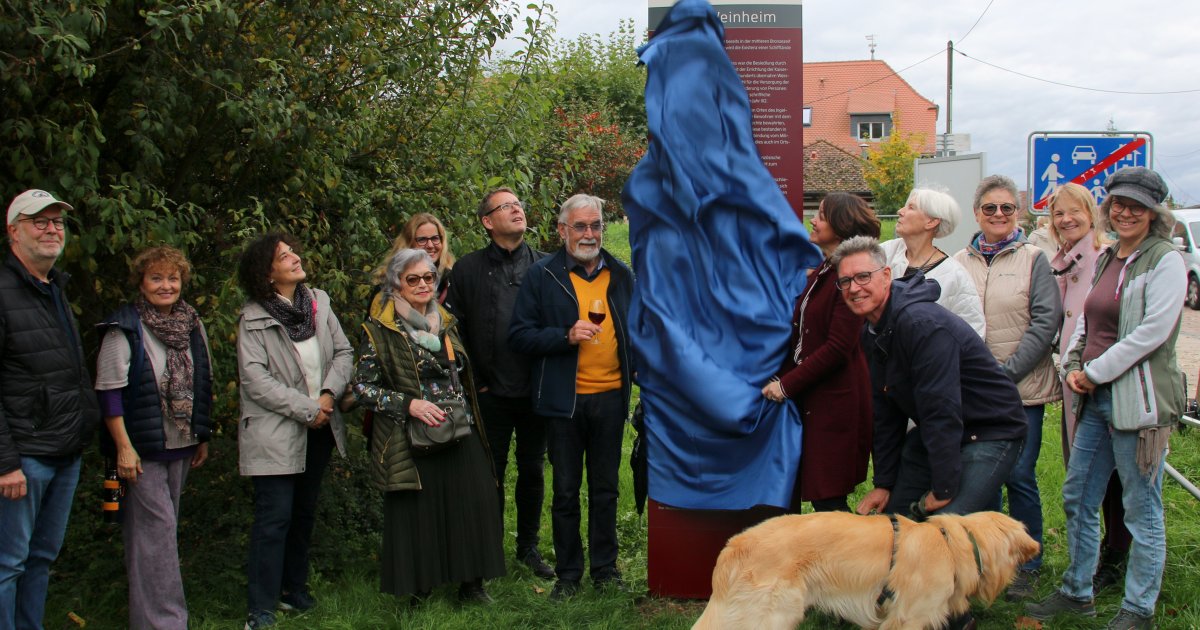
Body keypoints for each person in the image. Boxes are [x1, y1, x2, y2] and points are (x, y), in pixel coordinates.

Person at [839, 235, 1027, 630]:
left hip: (991, 429)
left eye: (863, 277)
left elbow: (942, 408)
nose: (854, 288)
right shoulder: (871, 331)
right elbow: (886, 412)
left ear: (886, 275)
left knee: (944, 533)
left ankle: (953, 621)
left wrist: (943, 487)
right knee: (893, 526)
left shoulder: (920, 323)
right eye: (845, 281)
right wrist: (885, 483)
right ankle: (893, 606)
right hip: (938, 431)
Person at [1027, 167, 1185, 630]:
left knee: (1141, 508)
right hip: (1095, 401)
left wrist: (1094, 373)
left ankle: (1138, 609)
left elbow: (1152, 333)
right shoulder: (1110, 256)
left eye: (1137, 206)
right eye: (1118, 203)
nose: (1125, 212)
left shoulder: (1165, 260)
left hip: (1139, 403)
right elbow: (1086, 322)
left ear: (1154, 213)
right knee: (1078, 494)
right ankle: (1077, 592)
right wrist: (1072, 364)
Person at [349, 248, 505, 603]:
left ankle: (471, 585)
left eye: (429, 277)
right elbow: (361, 388)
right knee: (420, 511)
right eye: (413, 279)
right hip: (412, 433)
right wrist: (410, 405)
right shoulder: (381, 330)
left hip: (459, 425)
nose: (423, 284)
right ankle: (421, 588)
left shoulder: (446, 322)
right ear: (396, 286)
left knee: (474, 500)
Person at [509, 193, 634, 600]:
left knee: (606, 489)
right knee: (565, 491)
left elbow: (636, 332)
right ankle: (568, 575)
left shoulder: (620, 274)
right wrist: (565, 335)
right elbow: (519, 335)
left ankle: (605, 569)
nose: (589, 234)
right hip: (565, 401)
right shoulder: (543, 275)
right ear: (562, 230)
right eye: (580, 226)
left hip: (610, 398)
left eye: (596, 225)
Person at [236, 233, 354, 630]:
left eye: (292, 251)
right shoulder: (253, 318)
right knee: (274, 518)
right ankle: (260, 607)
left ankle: (293, 590)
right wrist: (309, 409)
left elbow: (343, 352)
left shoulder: (318, 302)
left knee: (303, 512)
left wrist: (328, 395)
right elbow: (255, 380)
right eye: (283, 256)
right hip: (276, 431)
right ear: (266, 273)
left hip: (321, 425)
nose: (294, 257)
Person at [953, 174, 1062, 598]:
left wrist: (1006, 373)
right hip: (973, 392)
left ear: (1018, 212)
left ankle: (1026, 562)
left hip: (1021, 390)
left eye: (1007, 208)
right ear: (977, 213)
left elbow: (1045, 322)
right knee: (981, 478)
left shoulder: (1035, 259)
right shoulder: (959, 262)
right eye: (990, 208)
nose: (998, 214)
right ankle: (987, 561)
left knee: (1018, 474)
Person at [94, 246, 213, 630]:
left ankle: (146, 620)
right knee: (157, 537)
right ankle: (168, 622)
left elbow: (203, 381)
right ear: (141, 283)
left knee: (155, 537)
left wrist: (202, 435)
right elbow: (109, 392)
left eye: (173, 278)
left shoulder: (192, 323)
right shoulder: (125, 327)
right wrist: (123, 448)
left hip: (181, 444)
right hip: (141, 450)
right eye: (156, 278)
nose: (166, 285)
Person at [0, 189, 100, 630]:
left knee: (41, 556)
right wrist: (5, 463)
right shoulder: (4, 290)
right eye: (38, 221)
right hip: (23, 458)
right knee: (8, 562)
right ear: (13, 231)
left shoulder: (53, 287)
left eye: (57, 222)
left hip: (64, 451)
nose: (51, 229)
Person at [444, 187, 553, 579]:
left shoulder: (546, 266)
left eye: (518, 204)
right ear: (487, 222)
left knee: (532, 469)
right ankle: (488, 551)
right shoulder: (467, 269)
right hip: (489, 392)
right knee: (490, 473)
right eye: (506, 206)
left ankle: (528, 548)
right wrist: (476, 381)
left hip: (535, 390)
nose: (517, 209)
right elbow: (454, 332)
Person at [760, 192, 877, 513]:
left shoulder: (848, 277)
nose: (813, 220)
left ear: (841, 225)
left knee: (829, 499)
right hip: (817, 400)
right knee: (823, 495)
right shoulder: (826, 270)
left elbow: (838, 347)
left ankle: (852, 548)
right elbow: (805, 335)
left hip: (836, 404)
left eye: (822, 216)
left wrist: (786, 385)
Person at [1047, 182, 1129, 591]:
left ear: (1091, 213)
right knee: (1085, 474)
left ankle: (1116, 554)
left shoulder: (1103, 257)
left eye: (1074, 211)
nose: (1066, 220)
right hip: (1075, 382)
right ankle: (1097, 554)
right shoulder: (1065, 260)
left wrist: (1092, 371)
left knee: (1111, 474)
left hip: (1103, 382)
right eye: (1058, 214)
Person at [880, 187, 985, 338]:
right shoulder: (885, 253)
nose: (900, 211)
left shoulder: (955, 275)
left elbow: (973, 331)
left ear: (932, 222)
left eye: (911, 207)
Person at [374, 213, 456, 302]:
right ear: (408, 244)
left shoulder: (452, 281)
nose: (430, 245)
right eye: (422, 240)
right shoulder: (388, 284)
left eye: (435, 238)